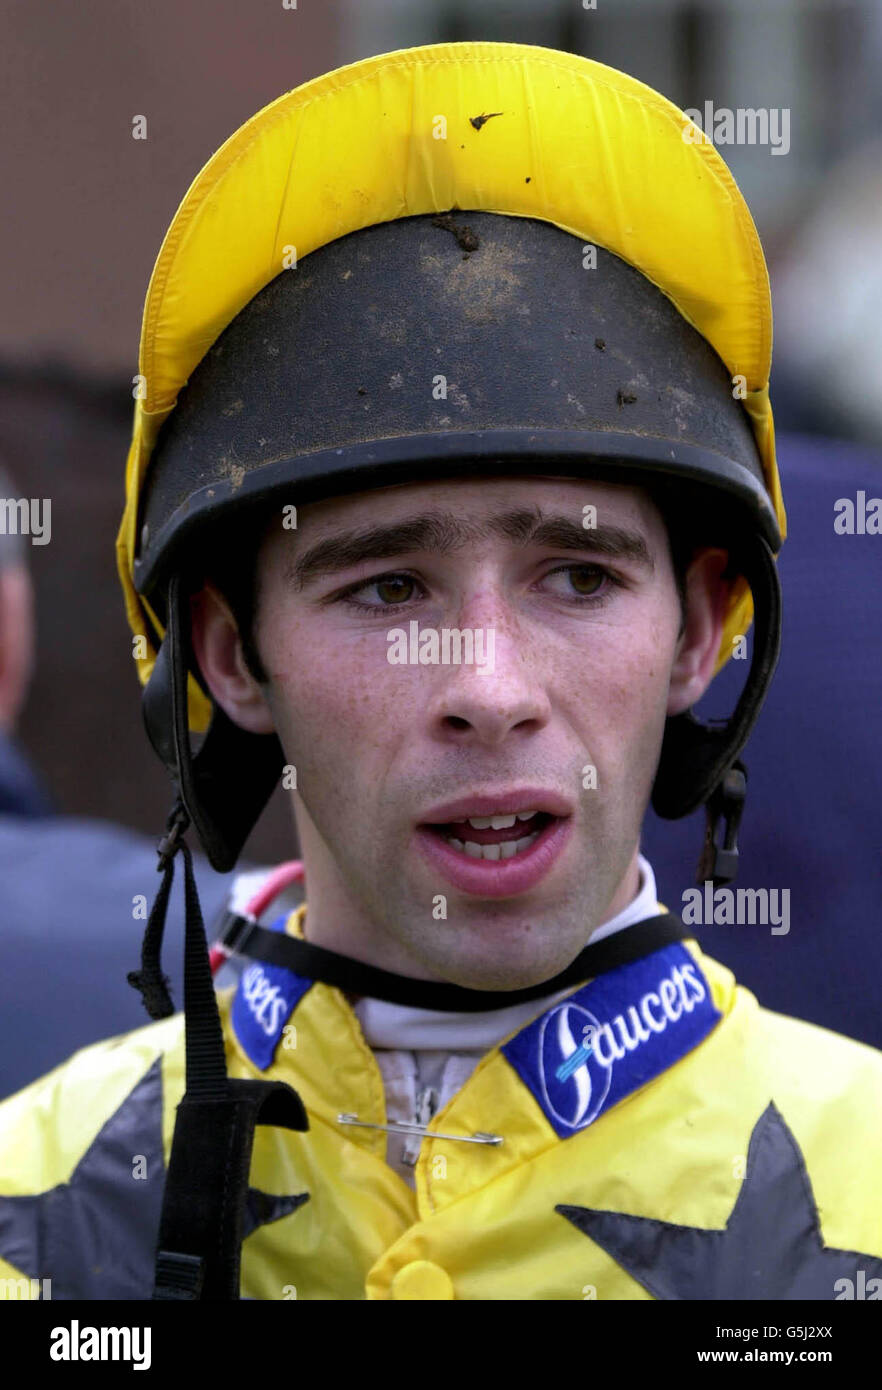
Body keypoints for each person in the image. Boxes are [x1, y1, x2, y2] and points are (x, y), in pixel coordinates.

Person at [0, 41, 880, 1303]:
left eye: (578, 576)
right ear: (232, 656)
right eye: (386, 585)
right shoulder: (27, 1207)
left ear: (701, 631)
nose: (489, 684)